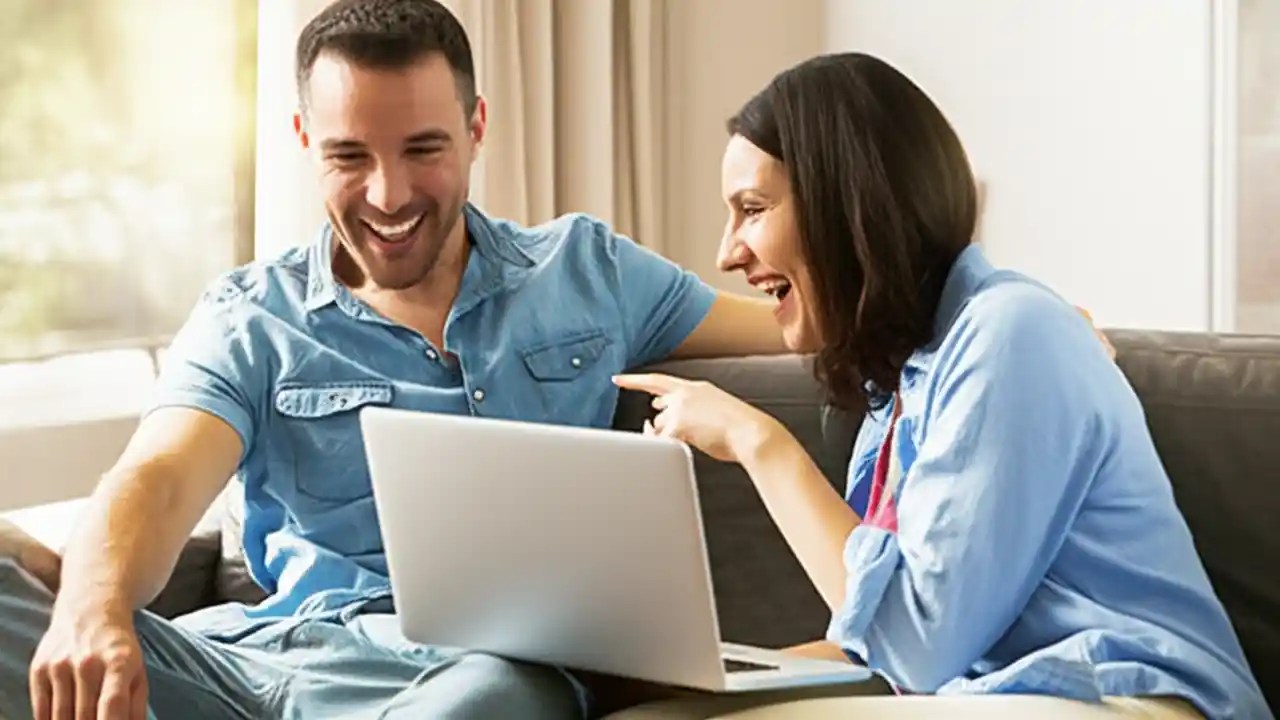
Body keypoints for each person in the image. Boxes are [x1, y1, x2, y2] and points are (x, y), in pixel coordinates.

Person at [0, 3, 1115, 720]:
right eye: (350, 156)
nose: (387, 196)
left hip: (473, 682)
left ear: (478, 127)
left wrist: (994, 312)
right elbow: (151, 482)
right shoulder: (249, 317)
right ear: (304, 144)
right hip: (256, 672)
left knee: (500, 700)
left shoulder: (587, 272)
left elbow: (817, 311)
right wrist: (91, 604)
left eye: (423, 149)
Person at [613, 53, 1271, 720]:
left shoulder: (1012, 331)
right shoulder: (905, 387)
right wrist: (692, 678)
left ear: (846, 202)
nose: (728, 253)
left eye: (752, 210)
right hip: (999, 698)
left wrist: (759, 442)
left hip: (1125, 697)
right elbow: (893, 647)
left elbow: (916, 646)